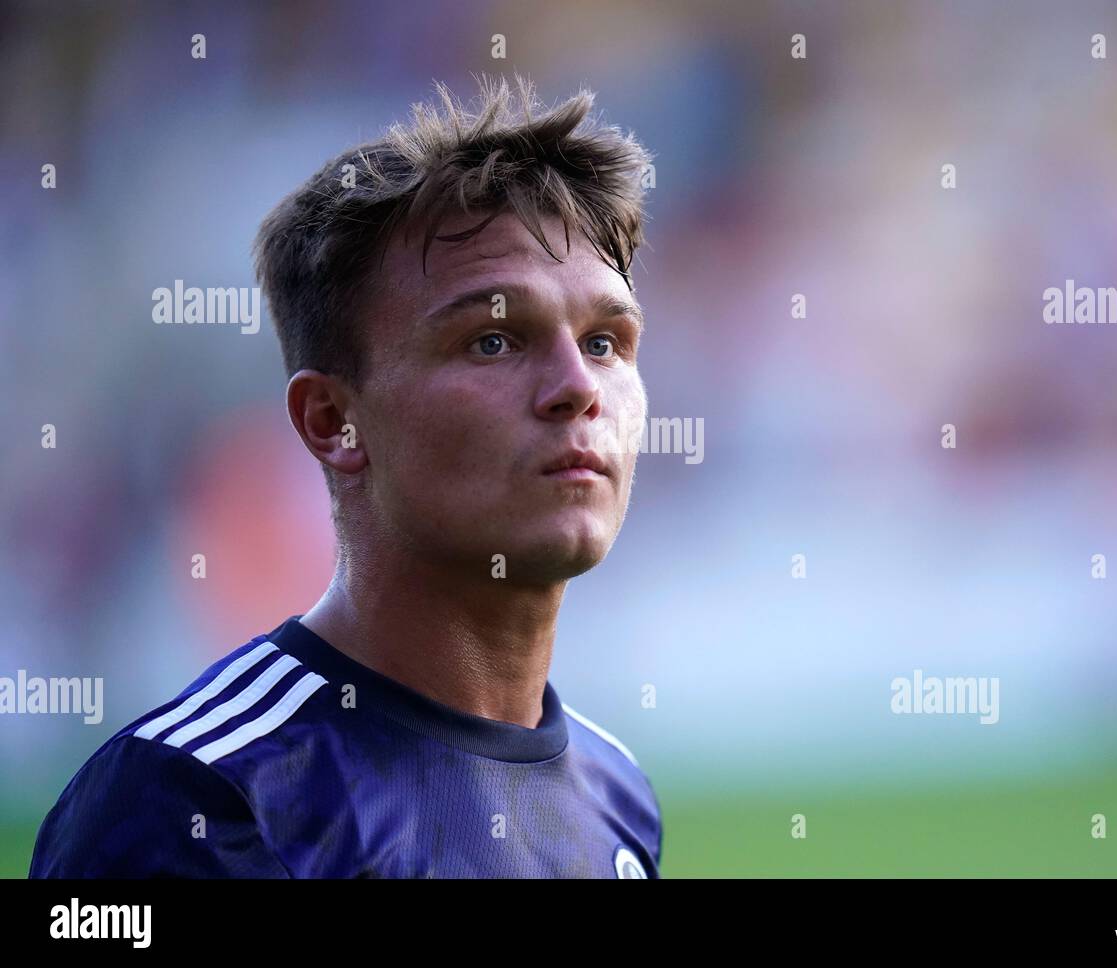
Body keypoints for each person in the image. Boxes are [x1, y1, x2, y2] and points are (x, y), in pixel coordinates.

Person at [30, 74, 661, 878]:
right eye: (494, 340)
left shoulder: (617, 794)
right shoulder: (196, 804)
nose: (579, 386)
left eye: (606, 342)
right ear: (333, 421)